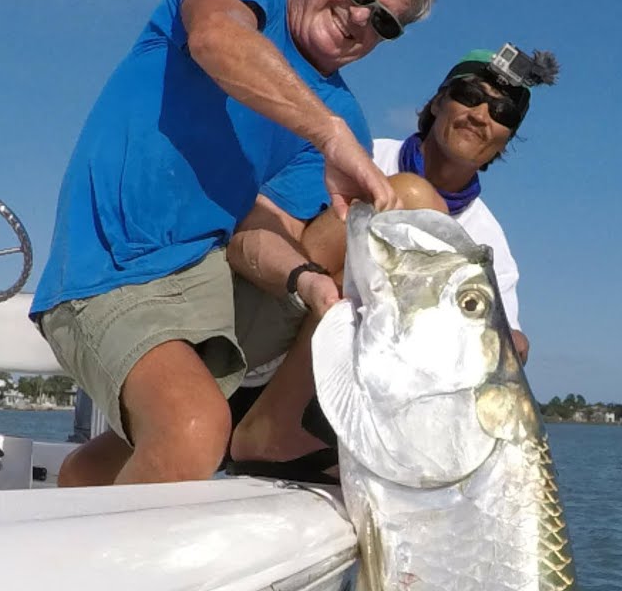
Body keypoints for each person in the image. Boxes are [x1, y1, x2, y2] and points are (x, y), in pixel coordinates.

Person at [30, 0, 441, 487]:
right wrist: (328, 134)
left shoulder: (346, 119)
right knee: (193, 428)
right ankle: (179, 444)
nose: (359, 17)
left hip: (211, 274)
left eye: (384, 22)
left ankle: (263, 433)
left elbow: (252, 234)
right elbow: (215, 39)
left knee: (410, 205)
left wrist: (305, 281)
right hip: (110, 270)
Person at [223, 44, 560, 483]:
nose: (481, 115)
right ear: (438, 102)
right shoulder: (357, 154)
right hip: (257, 338)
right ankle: (271, 429)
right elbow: (257, 232)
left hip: (334, 404)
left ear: (507, 138)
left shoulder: (488, 241)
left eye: (502, 112)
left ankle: (295, 430)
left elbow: (504, 346)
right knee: (410, 198)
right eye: (470, 96)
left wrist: (510, 343)